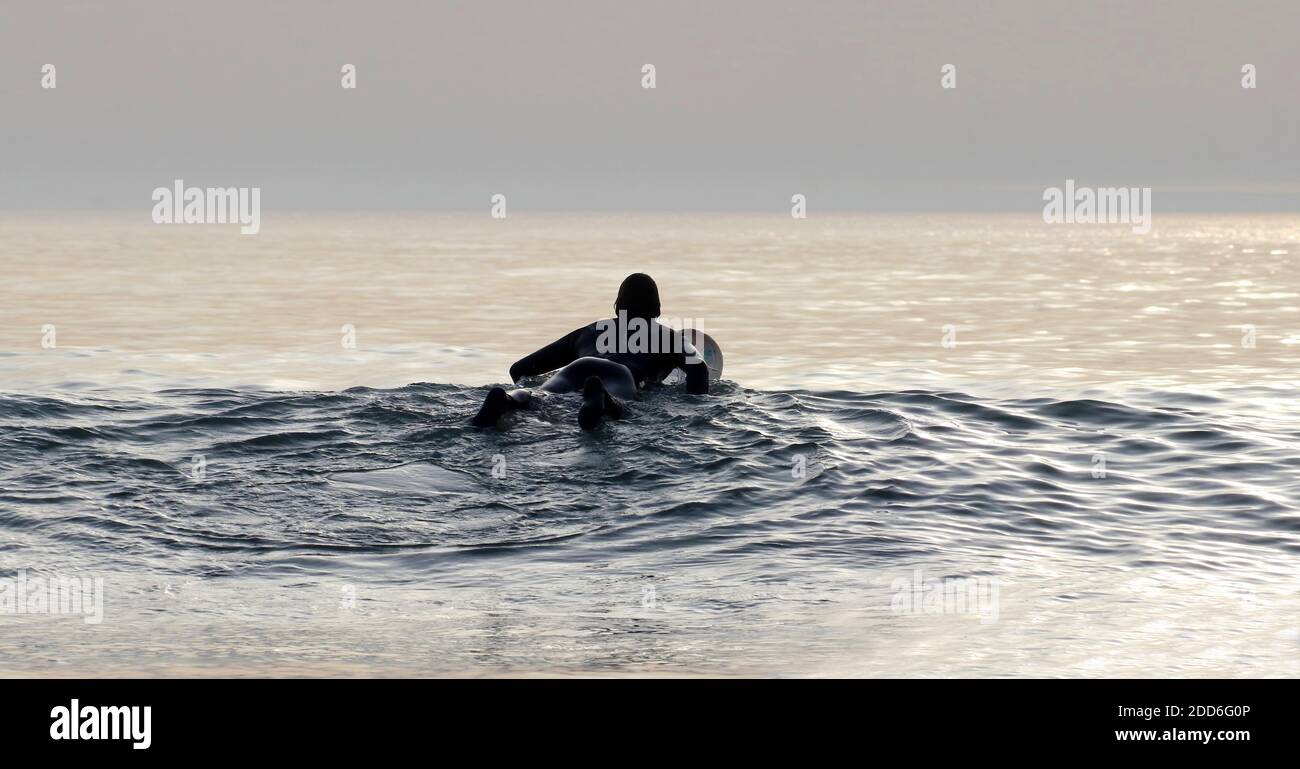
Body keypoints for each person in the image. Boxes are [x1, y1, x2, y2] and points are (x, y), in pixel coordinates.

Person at [471, 273, 709, 430]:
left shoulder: (590, 331)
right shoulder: (668, 337)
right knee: (617, 405)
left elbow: (520, 369)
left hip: (576, 369)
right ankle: (601, 400)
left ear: (617, 306)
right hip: (619, 375)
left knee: (539, 399)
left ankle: (509, 400)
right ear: (657, 308)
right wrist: (693, 403)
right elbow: (699, 370)